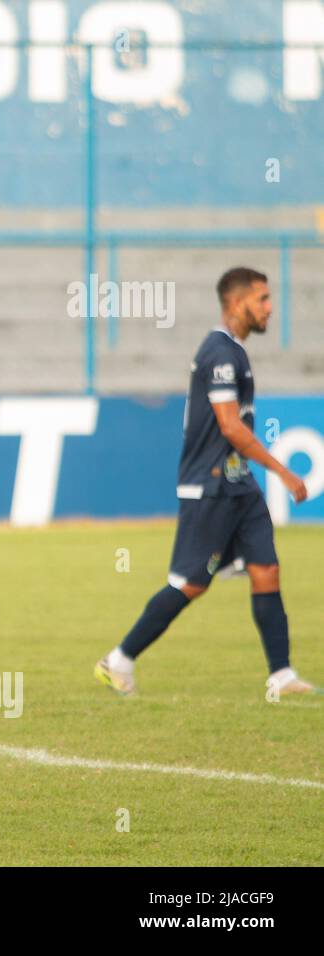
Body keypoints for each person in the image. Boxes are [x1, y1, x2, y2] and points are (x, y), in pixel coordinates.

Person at [95, 267, 317, 698]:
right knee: (191, 584)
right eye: (263, 299)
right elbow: (230, 427)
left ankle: (282, 676)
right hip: (211, 485)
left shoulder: (234, 351)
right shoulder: (219, 354)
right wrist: (283, 470)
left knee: (267, 570)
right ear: (237, 304)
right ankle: (118, 661)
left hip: (238, 484)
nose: (270, 308)